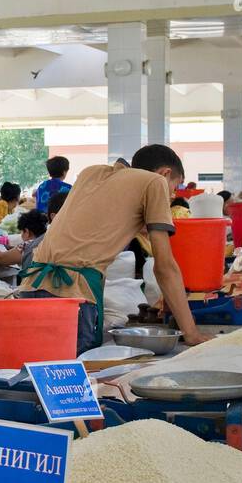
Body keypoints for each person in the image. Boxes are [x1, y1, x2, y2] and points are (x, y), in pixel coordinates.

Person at [17, 144, 210, 355]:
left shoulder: (91, 173)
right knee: (73, 377)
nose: (173, 195)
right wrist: (191, 333)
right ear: (166, 174)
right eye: (175, 187)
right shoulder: (155, 183)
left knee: (39, 373)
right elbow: (164, 267)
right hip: (73, 297)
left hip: (31, 288)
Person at [0, 209, 49, 279]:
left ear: (27, 231)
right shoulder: (46, 240)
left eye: (22, 231)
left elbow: (2, 258)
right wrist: (10, 248)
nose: (21, 234)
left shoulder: (27, 245)